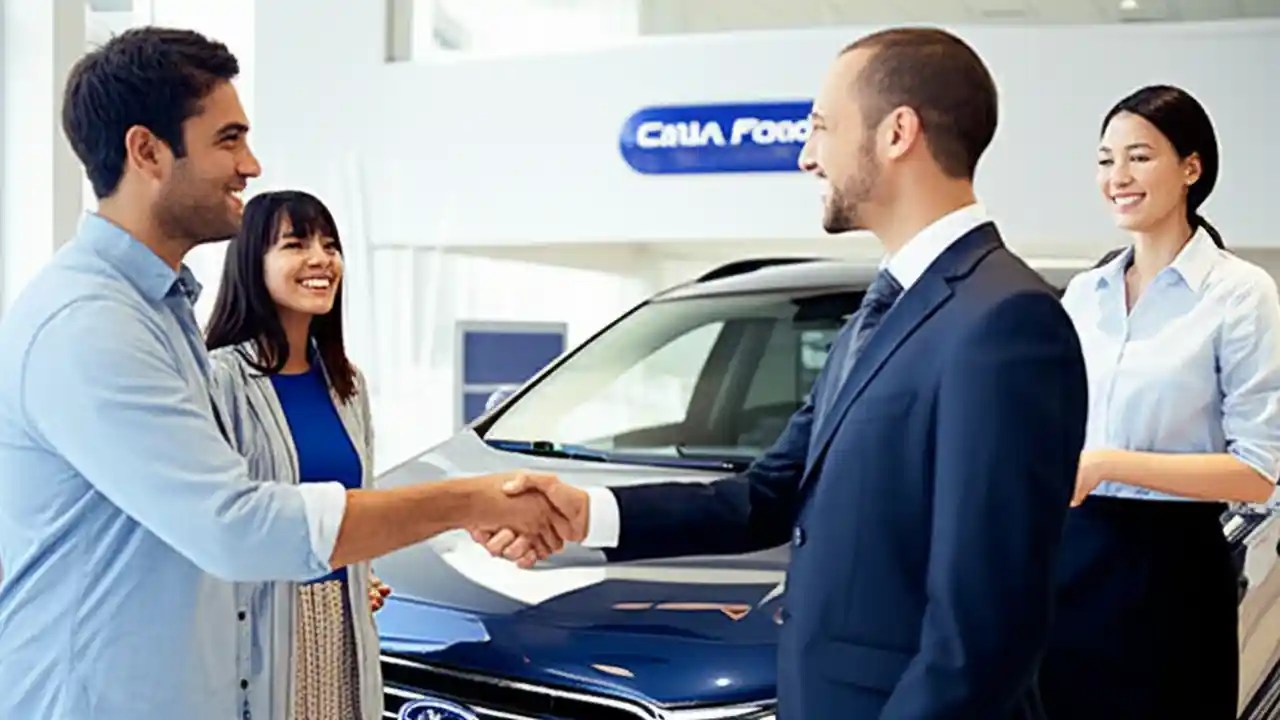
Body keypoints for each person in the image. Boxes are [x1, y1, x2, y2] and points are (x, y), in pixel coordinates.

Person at [472, 27, 1088, 719]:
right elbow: (768, 495)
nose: (806, 157)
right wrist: (585, 512)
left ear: (897, 133)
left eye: (820, 127)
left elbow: (986, 632)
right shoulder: (886, 311)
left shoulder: (1006, 322)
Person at [0, 27, 570, 719]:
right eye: (228, 140)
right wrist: (471, 501)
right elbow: (237, 526)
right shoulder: (91, 324)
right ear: (146, 151)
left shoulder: (161, 313)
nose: (250, 165)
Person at [1037, 85, 1280, 720]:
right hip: (1070, 560)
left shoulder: (1239, 293)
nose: (1117, 177)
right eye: (1105, 160)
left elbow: (1257, 473)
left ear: (1190, 169)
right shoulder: (1084, 294)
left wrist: (1108, 463)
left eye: (1139, 157)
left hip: (1173, 571)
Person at [204, 190, 386, 719]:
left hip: (344, 628)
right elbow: (212, 524)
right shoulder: (219, 379)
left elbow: (355, 505)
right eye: (295, 244)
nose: (320, 259)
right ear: (252, 263)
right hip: (256, 638)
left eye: (330, 245)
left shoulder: (348, 384)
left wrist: (362, 574)